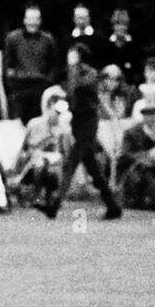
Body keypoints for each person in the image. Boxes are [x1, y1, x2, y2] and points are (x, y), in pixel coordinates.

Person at [47, 42, 122, 220]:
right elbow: (69, 95)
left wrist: (72, 72)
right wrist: (58, 108)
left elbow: (80, 87)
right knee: (93, 169)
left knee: (71, 163)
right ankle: (113, 206)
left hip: (89, 122)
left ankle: (55, 204)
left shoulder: (89, 73)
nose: (69, 57)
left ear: (79, 56)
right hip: (78, 122)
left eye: (72, 54)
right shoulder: (73, 73)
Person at [4, 5, 61, 123]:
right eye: (29, 19)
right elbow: (7, 64)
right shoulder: (12, 38)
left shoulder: (48, 39)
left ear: (40, 21)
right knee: (17, 126)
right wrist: (13, 81)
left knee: (40, 125)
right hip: (19, 91)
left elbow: (54, 65)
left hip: (40, 90)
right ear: (24, 20)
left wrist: (47, 82)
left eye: (35, 19)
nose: (32, 22)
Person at [18, 91, 71, 214]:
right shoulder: (34, 124)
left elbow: (67, 154)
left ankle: (48, 197)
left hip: (55, 165)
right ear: (48, 107)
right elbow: (24, 149)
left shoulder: (64, 129)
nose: (57, 115)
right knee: (41, 162)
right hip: (34, 162)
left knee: (52, 163)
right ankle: (38, 195)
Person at [104, 9, 138, 86]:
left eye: (124, 24)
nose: (121, 27)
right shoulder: (106, 45)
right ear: (113, 26)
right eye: (118, 24)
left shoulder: (134, 45)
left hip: (129, 85)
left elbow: (137, 70)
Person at [68, 3, 105, 69]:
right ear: (74, 19)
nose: (81, 21)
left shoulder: (98, 38)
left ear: (89, 18)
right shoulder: (68, 38)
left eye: (84, 18)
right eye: (78, 18)